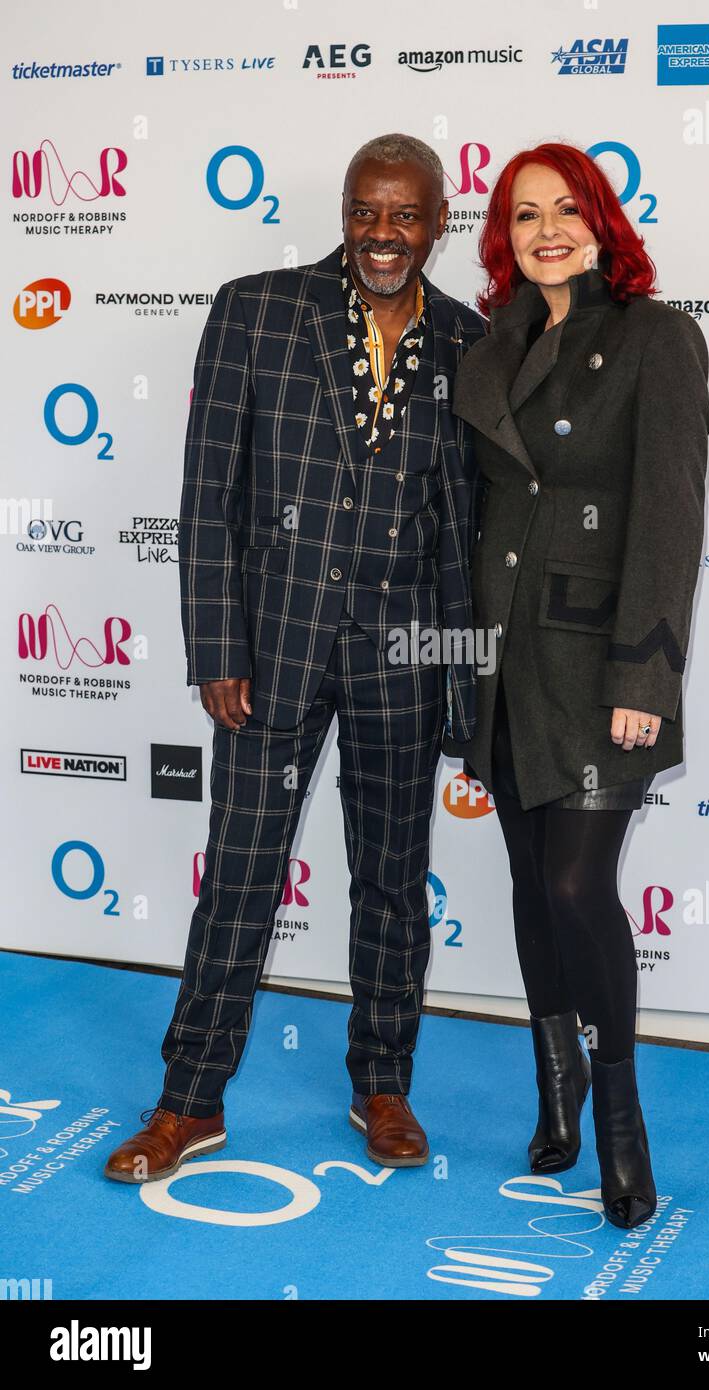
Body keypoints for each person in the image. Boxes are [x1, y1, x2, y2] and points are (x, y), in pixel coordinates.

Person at [104, 133, 487, 1183]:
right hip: (270, 651)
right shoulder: (256, 309)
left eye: (404, 215)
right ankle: (188, 1102)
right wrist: (218, 646)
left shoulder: (467, 339)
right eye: (366, 210)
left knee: (393, 882)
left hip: (403, 654)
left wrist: (463, 680)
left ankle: (383, 1084)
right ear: (346, 213)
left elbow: (464, 531)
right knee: (239, 873)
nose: (381, 233)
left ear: (438, 221)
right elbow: (207, 497)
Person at [444, 142, 709, 1228]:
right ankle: (554, 1082)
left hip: (598, 661)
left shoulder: (654, 337)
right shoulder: (493, 343)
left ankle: (617, 1116)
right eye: (522, 215)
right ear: (502, 237)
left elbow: (670, 516)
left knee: (572, 887)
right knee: (524, 879)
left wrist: (643, 671)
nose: (545, 229)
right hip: (500, 655)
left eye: (565, 208)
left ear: (603, 221)